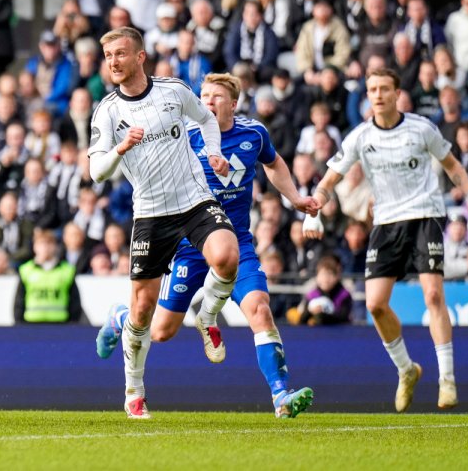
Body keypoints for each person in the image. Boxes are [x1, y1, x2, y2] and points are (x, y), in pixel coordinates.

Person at [104, 73, 319, 418]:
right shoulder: (184, 136)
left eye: (216, 96)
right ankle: (121, 317)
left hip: (237, 242)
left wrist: (294, 198)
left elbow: (274, 162)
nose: (207, 101)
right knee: (160, 331)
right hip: (190, 245)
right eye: (203, 95)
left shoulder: (253, 134)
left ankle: (281, 396)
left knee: (260, 308)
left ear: (233, 104)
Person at [85, 27, 239, 419]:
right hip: (151, 213)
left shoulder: (173, 90)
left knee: (227, 256)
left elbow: (206, 120)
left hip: (194, 200)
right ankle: (133, 392)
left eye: (120, 54)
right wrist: (121, 146)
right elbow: (96, 171)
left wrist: (215, 153)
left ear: (140, 57)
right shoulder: (108, 111)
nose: (114, 62)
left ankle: (206, 315)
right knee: (142, 312)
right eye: (108, 57)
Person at [305, 67, 468, 412]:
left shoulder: (422, 128)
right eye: (372, 89)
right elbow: (327, 182)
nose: (379, 94)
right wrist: (314, 209)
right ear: (367, 95)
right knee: (375, 305)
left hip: (424, 216)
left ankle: (447, 380)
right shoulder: (360, 137)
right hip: (385, 224)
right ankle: (407, 369)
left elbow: (453, 166)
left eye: (385, 88)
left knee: (432, 294)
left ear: (397, 94)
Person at [14, 228, 81, 324]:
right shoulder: (26, 270)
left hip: (60, 325)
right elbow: (19, 302)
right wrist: (20, 326)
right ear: (35, 247)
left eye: (49, 244)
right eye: (41, 244)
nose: (45, 247)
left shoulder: (67, 271)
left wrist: (71, 326)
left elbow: (74, 302)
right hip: (31, 326)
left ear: (55, 247)